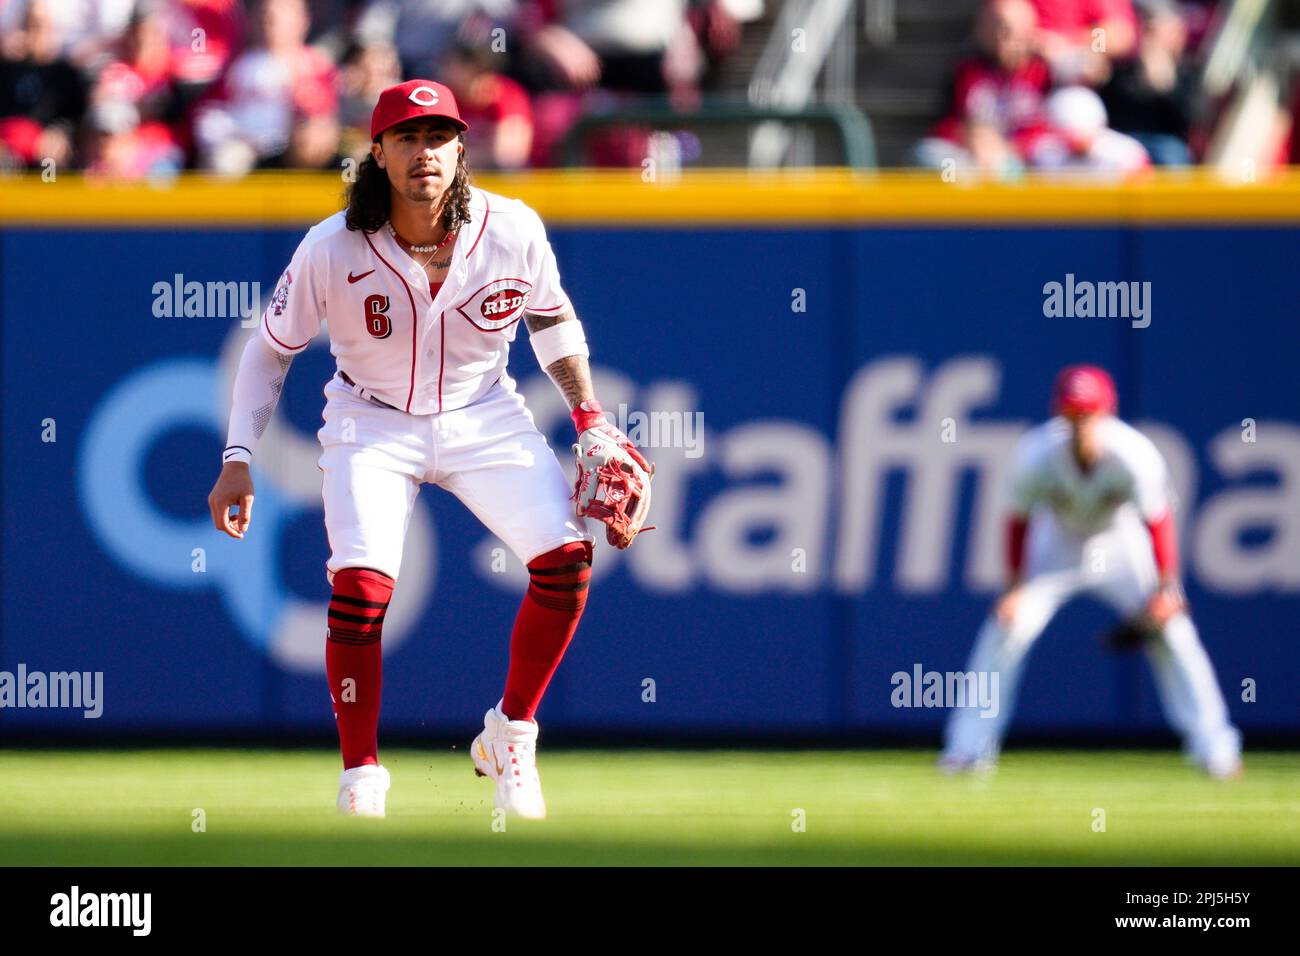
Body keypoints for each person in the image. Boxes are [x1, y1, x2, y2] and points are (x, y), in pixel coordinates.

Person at [207, 79, 653, 819]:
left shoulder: (510, 228)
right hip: (371, 418)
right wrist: (236, 456)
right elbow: (270, 350)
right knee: (360, 590)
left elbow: (552, 319)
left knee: (568, 563)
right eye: (408, 138)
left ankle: (510, 732)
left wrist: (591, 420)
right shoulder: (331, 246)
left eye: (440, 137)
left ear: (461, 149)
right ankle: (361, 775)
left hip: (485, 411)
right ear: (377, 153)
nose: (426, 153)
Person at [940, 365, 1242, 779]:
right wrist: (1012, 588)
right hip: (1057, 547)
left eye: (1089, 412)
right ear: (1059, 414)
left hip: (1120, 546)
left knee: (1174, 631)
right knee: (1005, 628)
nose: (1081, 422)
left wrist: (1167, 588)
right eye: (1072, 412)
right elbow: (1018, 523)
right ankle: (967, 750)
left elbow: (1158, 523)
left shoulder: (1134, 454)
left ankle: (1216, 750)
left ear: (1107, 412)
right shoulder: (1037, 453)